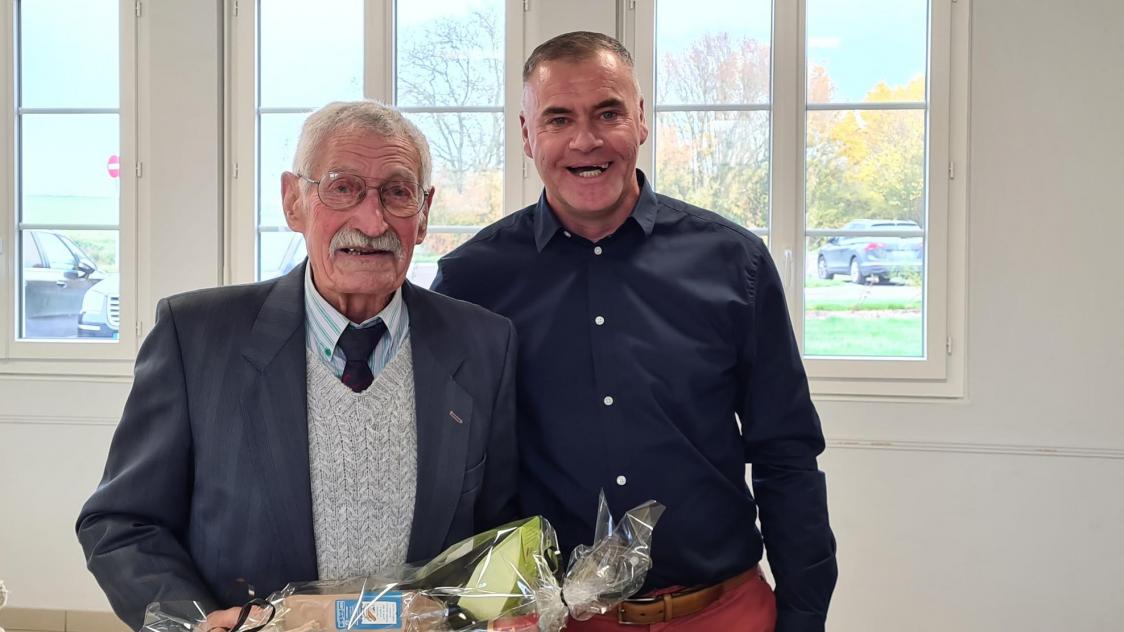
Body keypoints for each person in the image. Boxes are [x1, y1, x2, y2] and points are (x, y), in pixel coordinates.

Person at [432, 32, 836, 631]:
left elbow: (787, 456)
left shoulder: (735, 264)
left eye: (608, 113)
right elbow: (450, 472)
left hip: (722, 612)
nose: (585, 140)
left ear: (641, 120)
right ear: (526, 134)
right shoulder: (471, 281)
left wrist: (803, 617)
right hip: (549, 622)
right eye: (558, 118)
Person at [77, 101, 519, 630]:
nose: (371, 219)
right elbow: (122, 522)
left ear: (422, 214)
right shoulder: (195, 336)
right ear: (294, 201)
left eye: (397, 193)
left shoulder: (485, 344)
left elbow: (501, 530)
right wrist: (195, 622)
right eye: (342, 187)